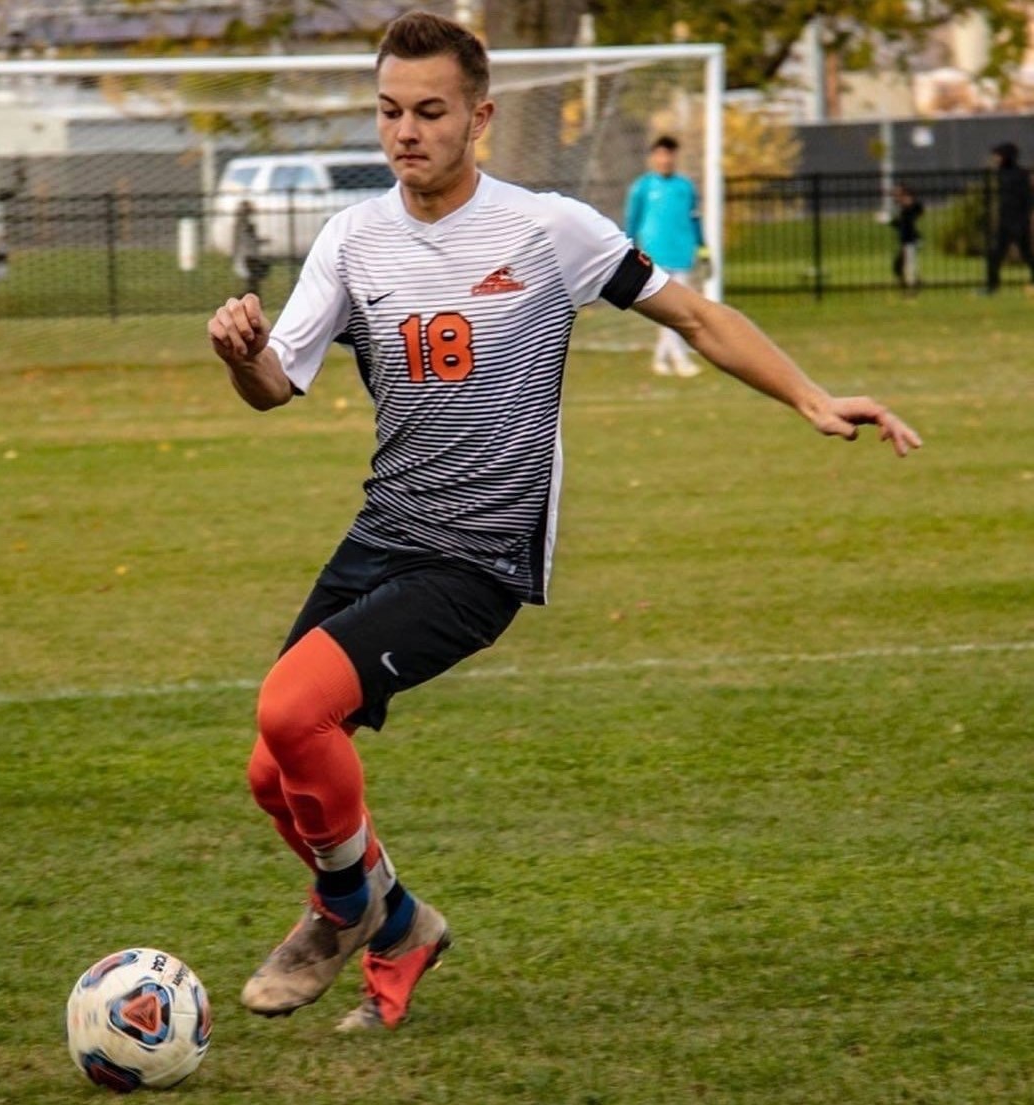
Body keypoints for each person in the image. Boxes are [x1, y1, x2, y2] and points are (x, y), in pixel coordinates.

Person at [206, 10, 921, 1034]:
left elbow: (697, 316)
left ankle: (341, 908)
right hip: (385, 532)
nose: (406, 132)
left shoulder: (548, 230)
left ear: (480, 116)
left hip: (480, 556)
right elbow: (278, 385)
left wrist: (809, 394)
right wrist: (240, 354)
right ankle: (401, 923)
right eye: (388, 111)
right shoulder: (351, 239)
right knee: (273, 772)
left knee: (290, 712)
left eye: (430, 112)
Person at [625, 135, 706, 377]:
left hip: (681, 254)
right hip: (653, 257)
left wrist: (703, 247)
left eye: (669, 154)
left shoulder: (685, 187)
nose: (665, 159)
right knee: (672, 312)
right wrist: (627, 250)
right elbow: (632, 221)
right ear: (654, 157)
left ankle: (662, 358)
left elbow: (695, 219)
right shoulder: (642, 187)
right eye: (660, 154)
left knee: (677, 311)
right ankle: (680, 361)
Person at [984, 141, 1034, 295]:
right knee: (997, 254)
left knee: (1021, 254)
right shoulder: (1007, 174)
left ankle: (993, 286)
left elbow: (1027, 198)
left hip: (1016, 221)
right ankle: (992, 286)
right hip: (1010, 220)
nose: (995, 159)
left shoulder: (1016, 175)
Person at [889, 182, 924, 294]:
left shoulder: (911, 207)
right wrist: (889, 221)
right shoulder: (904, 208)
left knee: (908, 265)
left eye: (898, 193)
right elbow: (901, 225)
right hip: (907, 241)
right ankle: (912, 284)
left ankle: (912, 288)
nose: (895, 196)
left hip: (912, 240)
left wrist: (910, 203)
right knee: (900, 265)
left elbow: (918, 209)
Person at [232, 199, 270, 298]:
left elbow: (251, 239)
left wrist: (261, 241)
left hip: (250, 256)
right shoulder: (242, 222)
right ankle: (241, 300)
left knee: (253, 284)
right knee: (253, 285)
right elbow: (246, 239)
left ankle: (245, 300)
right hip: (247, 257)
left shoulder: (245, 223)